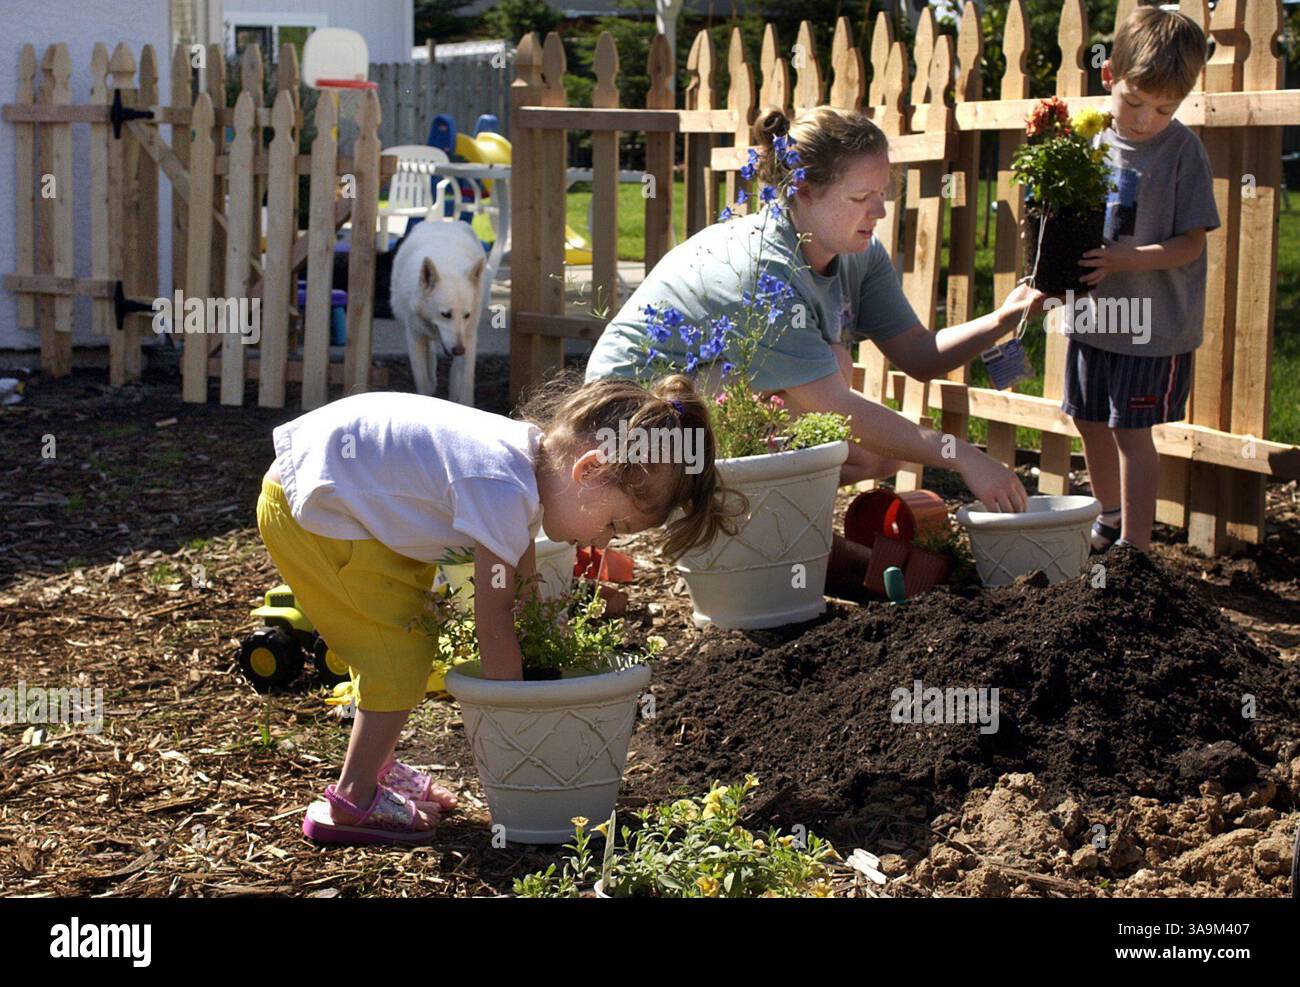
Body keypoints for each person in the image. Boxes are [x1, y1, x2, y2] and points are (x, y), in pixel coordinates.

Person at [257, 375, 731, 844]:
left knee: (400, 634)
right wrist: (521, 722)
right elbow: (495, 616)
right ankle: (353, 798)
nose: (604, 540)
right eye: (613, 523)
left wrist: (546, 641)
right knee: (397, 652)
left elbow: (521, 592)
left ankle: (375, 765)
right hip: (318, 510)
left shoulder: (521, 467)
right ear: (587, 470)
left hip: (345, 497)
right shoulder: (502, 489)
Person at [585, 104, 1052, 515]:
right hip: (625, 429)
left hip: (696, 413)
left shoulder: (856, 252)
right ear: (803, 190)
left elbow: (919, 354)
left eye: (882, 194)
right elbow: (835, 406)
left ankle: (765, 527)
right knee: (834, 377)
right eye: (860, 198)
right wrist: (962, 455)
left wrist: (1000, 322)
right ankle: (725, 523)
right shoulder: (760, 270)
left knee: (880, 454)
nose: (880, 212)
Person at [1067, 6, 1218, 551]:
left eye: (1163, 108)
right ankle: (1108, 517)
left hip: (1151, 328)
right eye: (1134, 102)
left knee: (1131, 431)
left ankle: (1136, 549)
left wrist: (1124, 260)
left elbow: (1192, 242)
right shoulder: (1089, 140)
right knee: (1087, 419)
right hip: (1092, 316)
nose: (1144, 119)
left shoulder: (1183, 152)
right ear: (1109, 76)